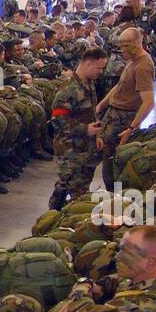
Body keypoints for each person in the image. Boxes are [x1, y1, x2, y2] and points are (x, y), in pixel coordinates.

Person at [48, 47, 108, 211]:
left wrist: (97, 135)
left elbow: (91, 112)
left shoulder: (89, 84)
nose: (101, 72)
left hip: (85, 147)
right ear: (88, 64)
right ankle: (54, 217)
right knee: (71, 188)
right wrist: (84, 129)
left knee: (79, 186)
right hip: (69, 148)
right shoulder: (69, 89)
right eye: (99, 68)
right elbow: (57, 120)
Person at [95, 27, 155, 189]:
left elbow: (148, 102)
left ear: (138, 42)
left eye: (127, 45)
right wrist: (102, 104)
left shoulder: (143, 66)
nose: (123, 50)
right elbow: (120, 86)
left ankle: (115, 199)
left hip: (123, 119)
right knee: (107, 158)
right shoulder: (133, 61)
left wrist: (131, 128)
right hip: (114, 115)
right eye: (121, 46)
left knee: (114, 163)